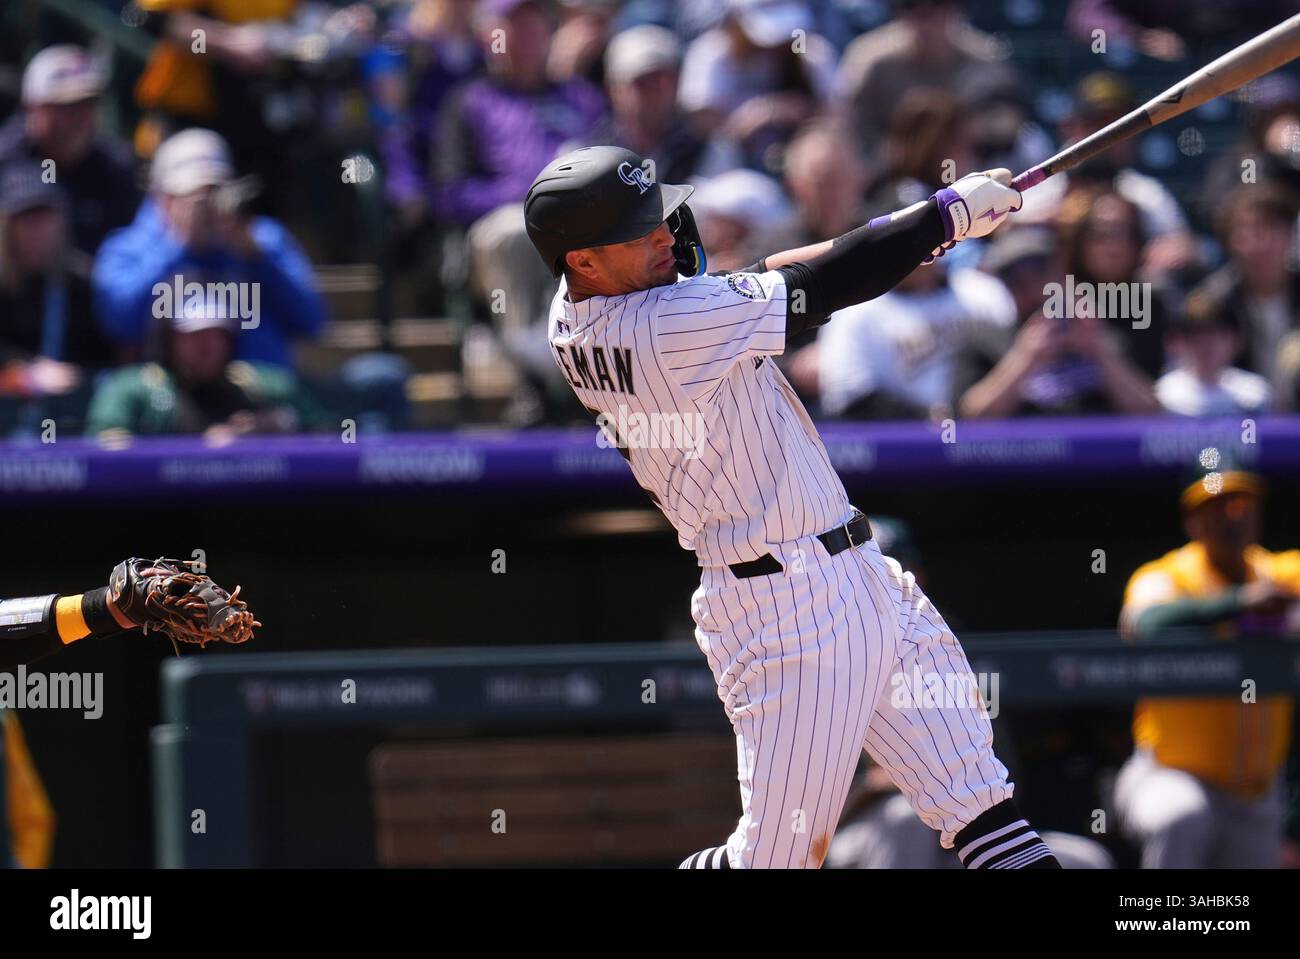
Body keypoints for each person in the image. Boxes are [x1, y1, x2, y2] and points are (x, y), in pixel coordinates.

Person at [525, 145, 1061, 869]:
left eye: (656, 219)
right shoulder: (653, 328)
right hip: (782, 606)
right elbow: (818, 287)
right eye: (637, 233)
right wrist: (944, 217)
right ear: (582, 261)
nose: (663, 238)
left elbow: (776, 274)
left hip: (862, 575)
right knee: (772, 862)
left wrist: (931, 223)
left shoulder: (585, 300)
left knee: (987, 814)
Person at [1115, 451, 1299, 868]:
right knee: (1182, 816)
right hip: (1170, 773)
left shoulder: (1282, 572)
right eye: (1214, 508)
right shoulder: (1167, 576)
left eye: (1239, 504)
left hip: (1256, 794)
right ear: (1191, 521)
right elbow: (1145, 622)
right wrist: (1238, 603)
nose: (1230, 518)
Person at [92, 128, 326, 369]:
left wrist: (260, 261)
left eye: (215, 193)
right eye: (193, 196)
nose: (207, 208)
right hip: (170, 398)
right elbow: (118, 325)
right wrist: (178, 248)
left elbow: (312, 323)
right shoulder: (127, 250)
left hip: (259, 391)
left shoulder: (262, 240)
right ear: (162, 199)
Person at [86, 300, 322, 442]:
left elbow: (326, 434)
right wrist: (201, 452)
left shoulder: (261, 386)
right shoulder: (132, 388)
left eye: (216, 334)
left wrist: (278, 424)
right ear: (170, 339)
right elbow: (106, 454)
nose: (207, 346)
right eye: (193, 335)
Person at [817, 256, 1017, 421]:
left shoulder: (982, 292)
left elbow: (1015, 367)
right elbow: (849, 398)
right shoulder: (855, 311)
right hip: (902, 445)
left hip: (988, 435)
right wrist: (927, 418)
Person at [0, 45, 140, 262]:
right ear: (33, 108)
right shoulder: (6, 158)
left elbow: (130, 252)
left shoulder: (116, 167)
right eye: (67, 107)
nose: (80, 119)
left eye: (88, 105)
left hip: (90, 289)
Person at [0, 163, 111, 426]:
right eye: (27, 219)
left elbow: (104, 360)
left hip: (67, 425)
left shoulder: (83, 283)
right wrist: (23, 375)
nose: (38, 230)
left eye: (45, 217)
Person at [837, 0, 1006, 160]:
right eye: (911, 4)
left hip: (969, 166)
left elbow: (1008, 122)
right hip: (889, 170)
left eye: (936, 4)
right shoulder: (869, 59)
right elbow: (847, 125)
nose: (924, 16)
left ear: (955, 8)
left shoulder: (985, 58)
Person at [1187, 183, 1300, 407]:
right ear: (1228, 241)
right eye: (1247, 231)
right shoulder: (1209, 303)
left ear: (1290, 236)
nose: (1261, 243)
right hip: (1232, 424)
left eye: (1272, 229)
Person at [1155, 292, 1273, 417]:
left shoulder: (1255, 393)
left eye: (1215, 335)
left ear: (1235, 340)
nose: (1205, 345)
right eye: (1195, 336)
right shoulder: (1164, 395)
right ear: (1177, 342)